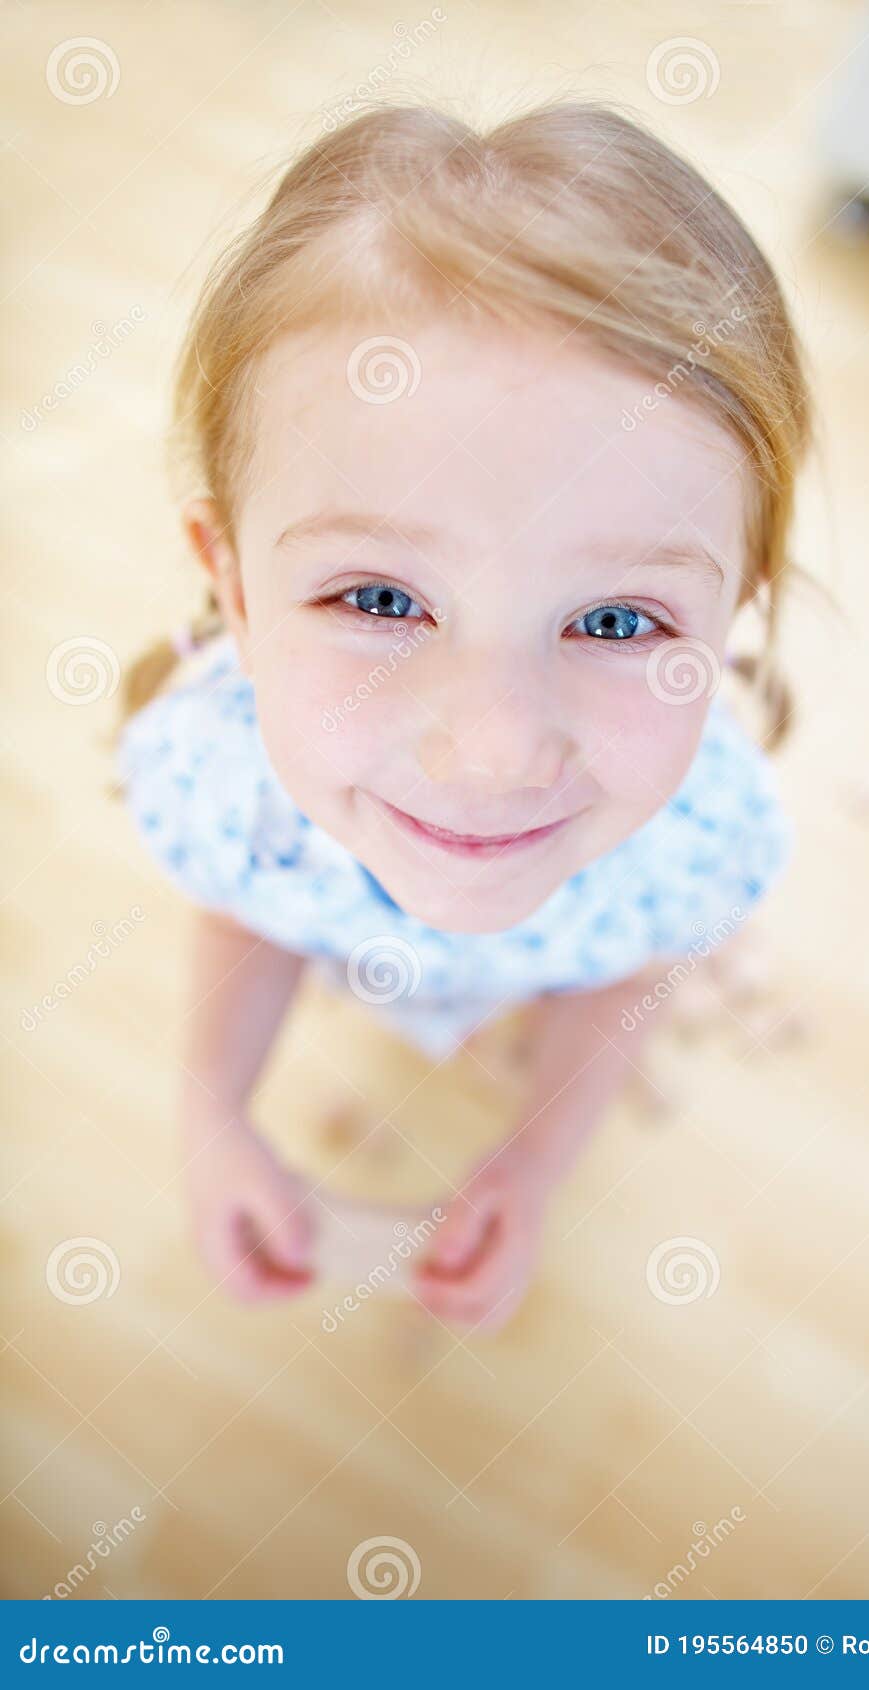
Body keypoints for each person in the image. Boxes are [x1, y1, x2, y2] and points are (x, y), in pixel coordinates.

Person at [115, 99, 813, 1333]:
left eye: (613, 621)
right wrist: (209, 1113)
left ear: (732, 615)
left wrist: (533, 1163)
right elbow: (251, 901)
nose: (492, 754)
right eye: (380, 598)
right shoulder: (220, 784)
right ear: (228, 583)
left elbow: (624, 969)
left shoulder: (693, 843)